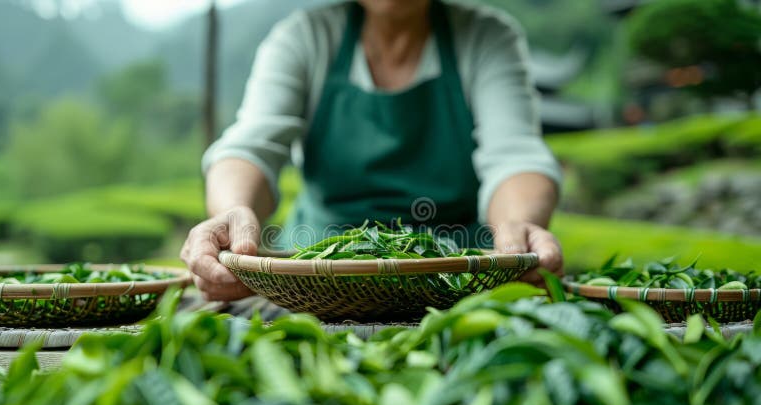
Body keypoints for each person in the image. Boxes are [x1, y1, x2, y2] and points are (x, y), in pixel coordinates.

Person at [181, 0, 564, 302]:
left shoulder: (485, 37)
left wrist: (517, 225)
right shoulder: (305, 37)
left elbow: (515, 154)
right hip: (313, 280)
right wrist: (234, 211)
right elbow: (251, 146)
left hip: (456, 278)